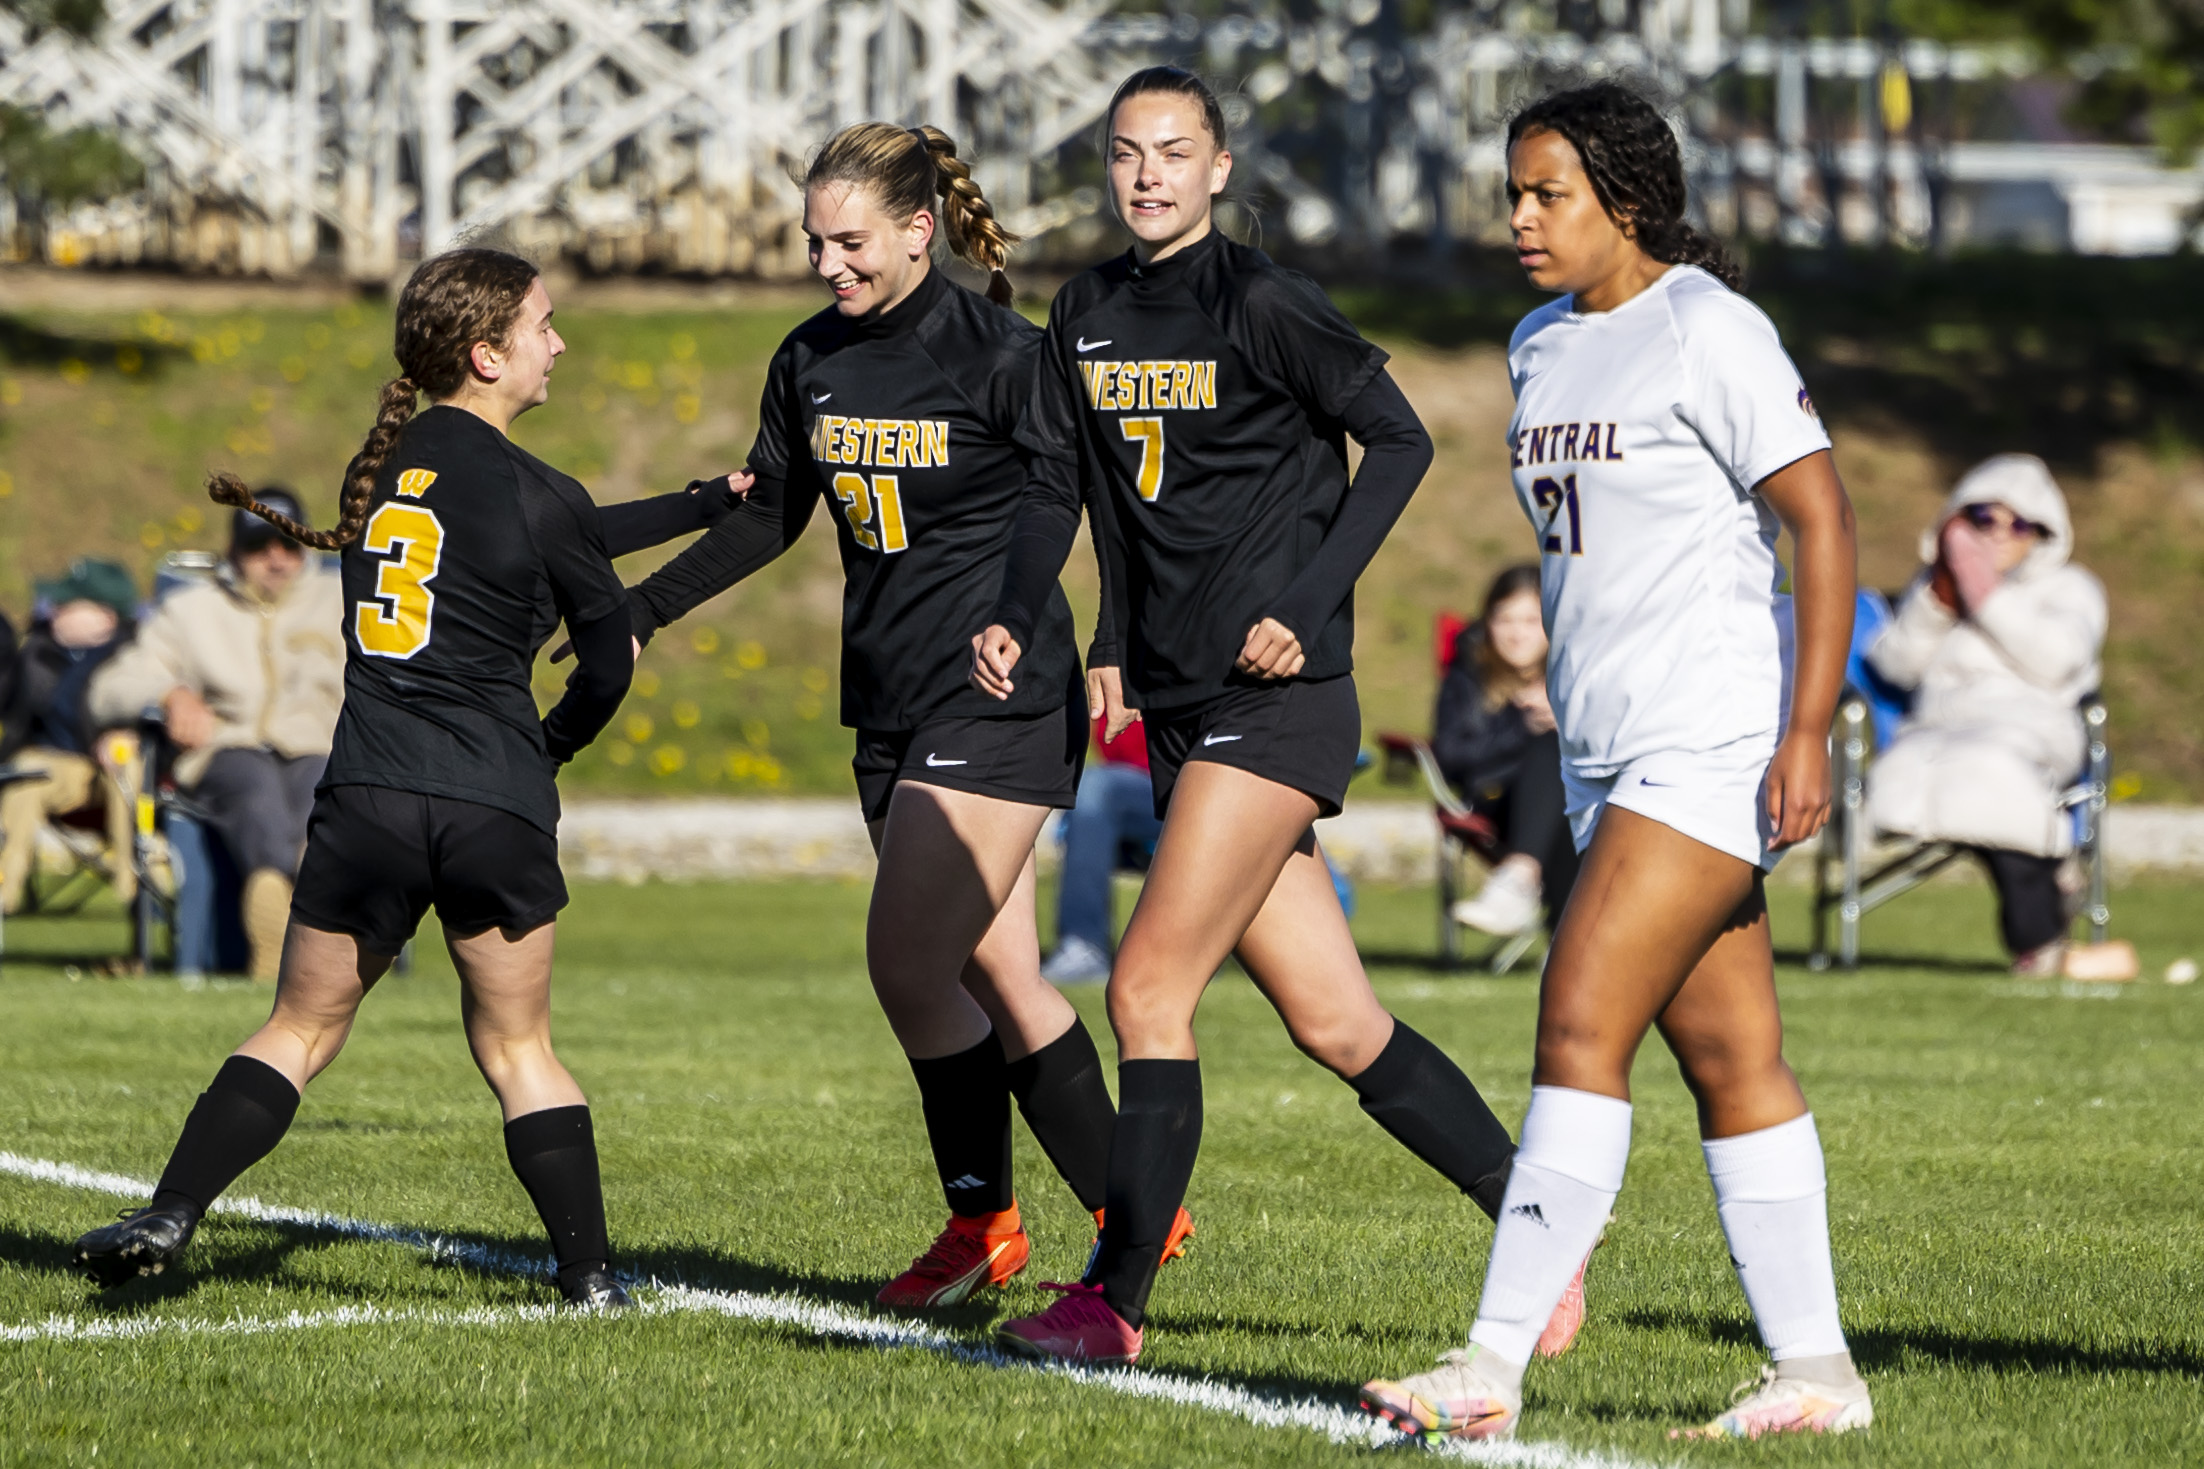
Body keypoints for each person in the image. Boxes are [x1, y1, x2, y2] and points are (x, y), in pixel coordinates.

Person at [972, 66, 1575, 1368]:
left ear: (1220, 168)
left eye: (1174, 152)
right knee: (1337, 1021)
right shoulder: (1082, 313)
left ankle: (1113, 1301)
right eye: (1128, 153)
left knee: (1145, 986)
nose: (1148, 175)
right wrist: (1101, 637)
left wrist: (1307, 604)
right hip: (1184, 702)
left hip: (1281, 701)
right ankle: (1543, 1226)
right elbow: (1089, 498)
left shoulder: (1265, 304)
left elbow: (1399, 440)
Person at [1357, 83, 1869, 1441]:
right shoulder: (1538, 344)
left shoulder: (1712, 330)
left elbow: (1822, 523)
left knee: (1578, 1022)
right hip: (1598, 755)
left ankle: (1489, 1364)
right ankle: (1819, 1374)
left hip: (1702, 744)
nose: (1519, 219)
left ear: (1626, 200)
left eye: (1548, 194)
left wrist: (1805, 729)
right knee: (1734, 1057)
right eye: (1512, 193)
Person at [611, 122, 1171, 1308]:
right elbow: (771, 517)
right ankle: (1135, 1209)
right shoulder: (809, 356)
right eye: (815, 241)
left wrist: (1063, 624)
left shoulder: (1002, 354)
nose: (828, 263)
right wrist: (641, 610)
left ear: (920, 232)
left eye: (851, 241)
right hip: (886, 701)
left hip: (1000, 699)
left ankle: (981, 1223)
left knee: (907, 966)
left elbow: (1068, 502)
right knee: (1002, 976)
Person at [72, 248, 653, 1309]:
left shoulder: (376, 466)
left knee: (298, 1028)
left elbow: (533, 533)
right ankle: (591, 1275)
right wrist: (554, 741)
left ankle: (169, 1210)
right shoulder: (547, 491)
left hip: (369, 792)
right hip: (493, 798)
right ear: (487, 354)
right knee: (518, 1046)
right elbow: (604, 656)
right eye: (543, 324)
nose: (557, 342)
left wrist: (702, 500)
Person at [1865, 453, 2107, 974]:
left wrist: (1987, 596)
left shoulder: (2072, 588)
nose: (2000, 534)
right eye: (1983, 519)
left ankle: (2036, 933)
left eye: (2019, 523)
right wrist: (1937, 606)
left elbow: (2059, 661)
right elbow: (1894, 665)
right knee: (1908, 780)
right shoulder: (1933, 587)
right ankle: (2053, 876)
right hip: (1936, 730)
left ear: (2042, 532)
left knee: (1988, 776)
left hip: (2030, 729)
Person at [88, 490, 344, 979]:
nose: (276, 559)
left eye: (289, 545)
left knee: (325, 793)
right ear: (234, 552)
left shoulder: (341, 601)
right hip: (224, 747)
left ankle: (308, 923)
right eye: (260, 546)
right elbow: (111, 685)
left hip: (319, 745)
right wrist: (170, 693)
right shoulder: (190, 610)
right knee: (253, 786)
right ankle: (275, 918)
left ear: (307, 547)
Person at [1434, 563, 1578, 936]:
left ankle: (1526, 895)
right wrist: (1521, 726)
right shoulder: (1468, 676)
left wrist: (1568, 715)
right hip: (1493, 799)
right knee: (1550, 748)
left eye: (1532, 621)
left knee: (1568, 795)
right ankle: (1526, 882)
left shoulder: (1573, 676)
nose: (1517, 634)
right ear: (1488, 622)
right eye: (1505, 620)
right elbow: (1450, 756)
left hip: (1569, 805)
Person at [0, 558, 139, 914]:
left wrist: (127, 734)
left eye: (67, 605)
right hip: (61, 767)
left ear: (106, 616)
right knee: (26, 771)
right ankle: (5, 889)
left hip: (114, 770)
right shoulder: (37, 652)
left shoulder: (135, 654)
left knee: (128, 763)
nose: (54, 611)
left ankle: (135, 887)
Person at [1039, 716, 1160, 985]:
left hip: (1193, 788)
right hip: (1133, 792)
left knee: (1094, 786)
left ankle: (1084, 945)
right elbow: (1113, 741)